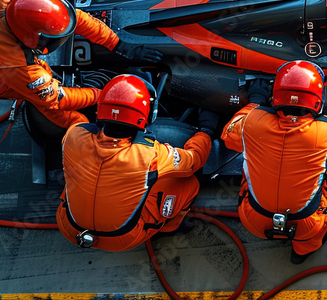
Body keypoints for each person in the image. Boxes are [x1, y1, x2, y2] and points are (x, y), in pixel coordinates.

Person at [0, 0, 162, 130]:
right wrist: (101, 95)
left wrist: (119, 45)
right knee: (58, 109)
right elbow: (56, 99)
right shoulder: (14, 64)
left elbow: (75, 19)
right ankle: (80, 136)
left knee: (42, 80)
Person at [56, 75, 217, 251]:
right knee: (190, 182)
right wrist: (206, 131)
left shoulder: (74, 136)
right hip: (123, 238)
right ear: (143, 117)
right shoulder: (151, 154)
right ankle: (171, 227)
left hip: (71, 228)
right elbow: (194, 160)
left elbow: (74, 121)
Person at [221, 61, 327, 264]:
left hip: (253, 220)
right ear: (318, 101)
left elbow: (228, 135)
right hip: (307, 224)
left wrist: (255, 102)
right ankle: (303, 249)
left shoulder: (251, 121)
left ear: (275, 96)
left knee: (248, 159)